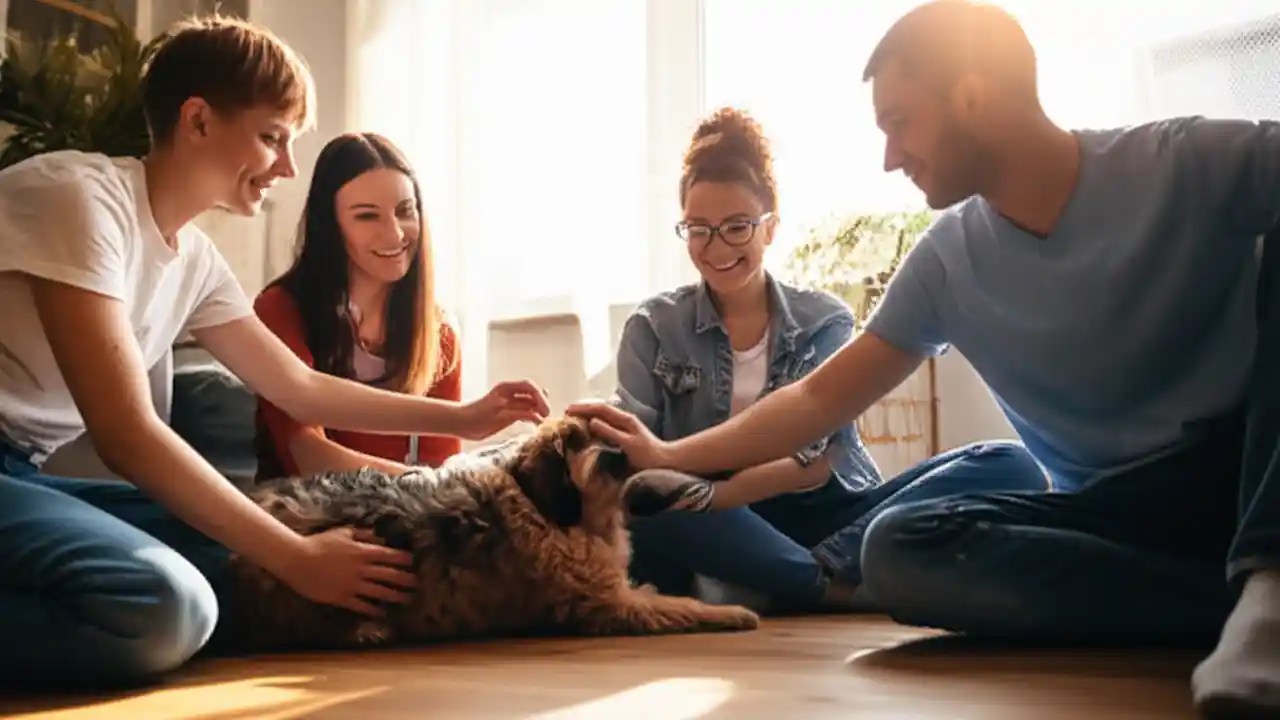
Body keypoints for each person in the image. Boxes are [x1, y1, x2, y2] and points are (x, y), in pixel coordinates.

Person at [570, 1, 1279, 716]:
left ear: (971, 96)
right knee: (900, 550)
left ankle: (1266, 576)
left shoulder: (1182, 162)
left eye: (899, 122)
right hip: (1106, 519)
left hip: (1247, 473)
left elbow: (816, 445)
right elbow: (818, 401)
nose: (889, 157)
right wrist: (670, 454)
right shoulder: (948, 259)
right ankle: (1236, 597)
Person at [0, 16, 546, 688]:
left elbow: (300, 388)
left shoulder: (194, 260)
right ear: (197, 120)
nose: (287, 168)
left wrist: (463, 421)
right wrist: (295, 556)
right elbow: (127, 436)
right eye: (271, 138)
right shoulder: (82, 202)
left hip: (21, 475)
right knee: (167, 607)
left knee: (242, 570)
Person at [613, 106, 1046, 613]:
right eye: (698, 229)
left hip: (829, 513)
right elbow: (633, 467)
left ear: (769, 228)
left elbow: (811, 465)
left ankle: (809, 573)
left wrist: (710, 484)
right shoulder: (652, 327)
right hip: (711, 520)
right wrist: (698, 492)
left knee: (1011, 462)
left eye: (736, 227)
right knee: (644, 498)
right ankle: (827, 582)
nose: (716, 247)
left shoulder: (824, 319)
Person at [254, 132, 463, 479]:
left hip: (408, 517)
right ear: (331, 227)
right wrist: (423, 488)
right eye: (367, 216)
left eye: (405, 211)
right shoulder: (280, 310)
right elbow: (306, 453)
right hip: (304, 515)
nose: (395, 234)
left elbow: (443, 468)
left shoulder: (439, 333)